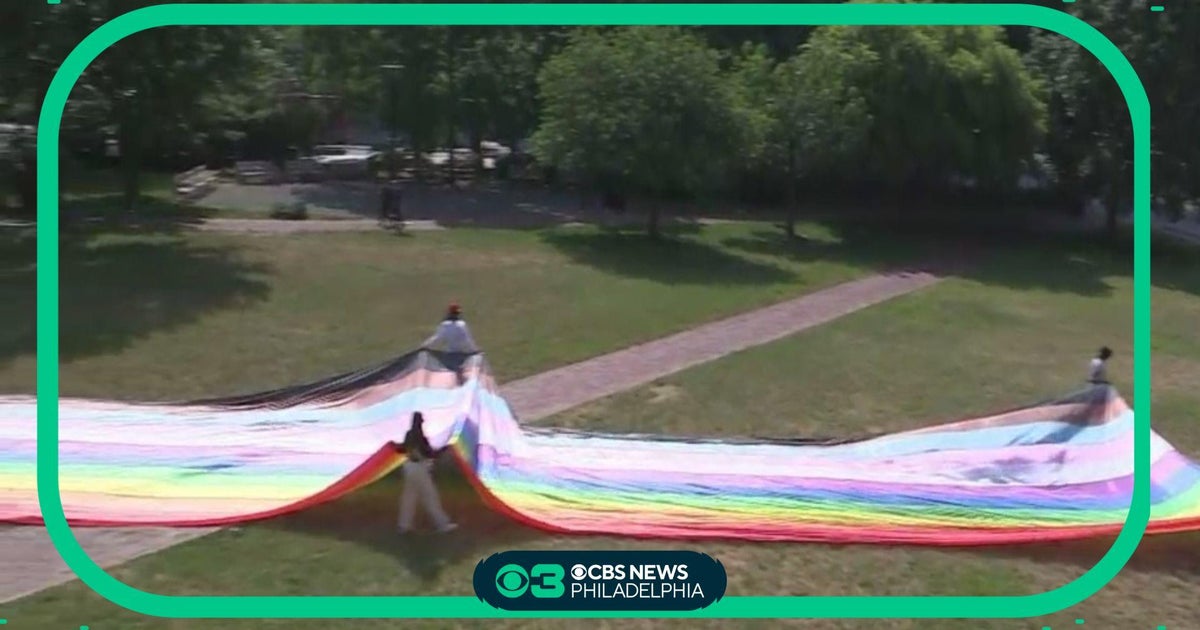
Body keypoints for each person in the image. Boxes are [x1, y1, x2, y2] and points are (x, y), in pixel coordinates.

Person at [396, 412, 457, 534]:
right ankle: (442, 524)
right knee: (430, 496)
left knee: (409, 497)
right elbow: (430, 453)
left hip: (409, 467)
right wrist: (444, 448)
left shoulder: (409, 435)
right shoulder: (421, 438)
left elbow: (401, 449)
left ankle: (404, 525)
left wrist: (393, 445)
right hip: (419, 468)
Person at [422, 303, 479, 384]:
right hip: (461, 355)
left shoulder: (445, 325)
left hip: (449, 355)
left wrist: (425, 345)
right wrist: (475, 350)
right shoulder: (462, 325)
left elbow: (437, 338)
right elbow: (468, 340)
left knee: (451, 374)